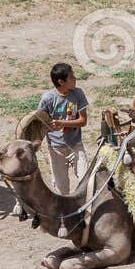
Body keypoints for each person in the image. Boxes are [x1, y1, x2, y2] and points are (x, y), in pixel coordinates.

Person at [39, 63, 89, 194]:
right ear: (61, 82)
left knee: (85, 180)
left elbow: (83, 121)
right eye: (71, 77)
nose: (75, 79)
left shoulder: (78, 94)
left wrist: (63, 123)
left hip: (75, 145)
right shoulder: (48, 98)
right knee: (61, 188)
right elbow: (40, 122)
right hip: (56, 149)